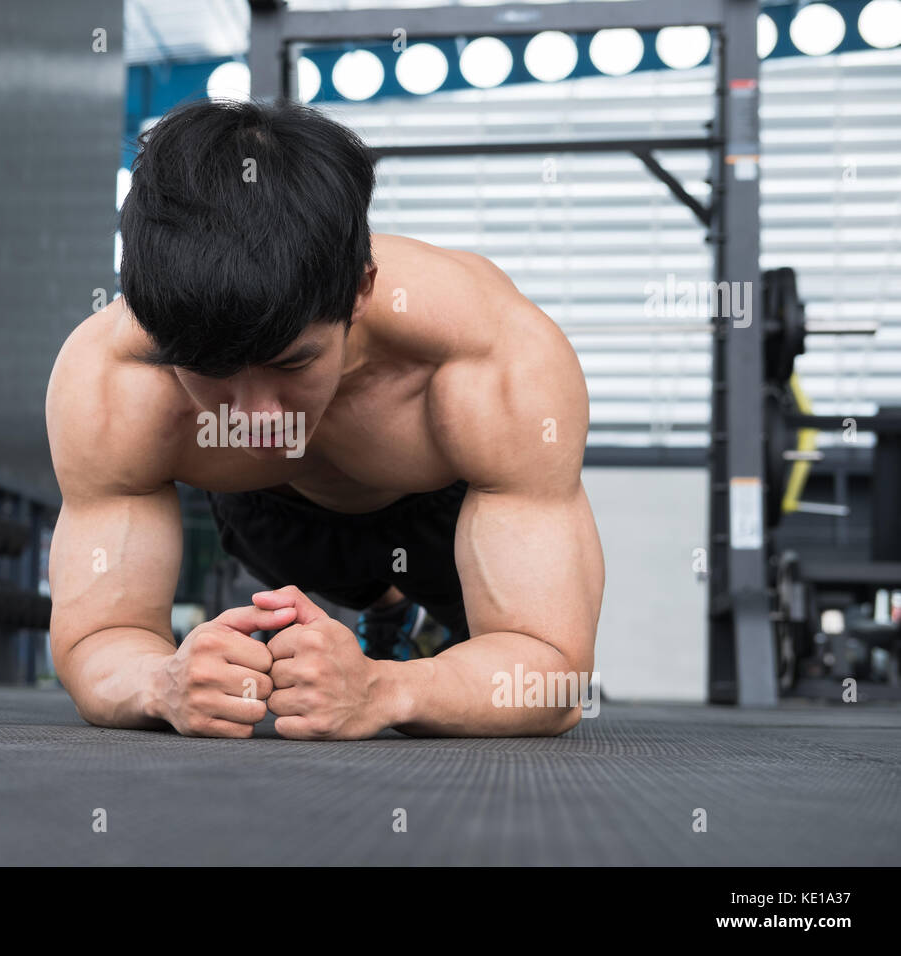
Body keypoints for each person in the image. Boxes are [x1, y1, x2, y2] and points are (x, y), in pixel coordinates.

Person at [45, 98, 603, 740]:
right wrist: (161, 680)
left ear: (362, 290)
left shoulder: (487, 356)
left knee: (473, 645)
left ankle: (405, 616)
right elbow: (98, 639)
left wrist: (386, 688)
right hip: (271, 520)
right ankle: (385, 606)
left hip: (436, 519)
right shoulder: (113, 378)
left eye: (292, 364)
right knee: (349, 583)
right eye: (213, 371)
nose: (257, 420)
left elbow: (552, 677)